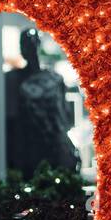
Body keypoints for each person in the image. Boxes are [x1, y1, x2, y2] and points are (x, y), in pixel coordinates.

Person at [5, 28, 78, 177]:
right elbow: (10, 120)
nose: (31, 48)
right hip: (28, 148)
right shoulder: (12, 79)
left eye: (33, 42)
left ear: (38, 45)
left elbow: (65, 116)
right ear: (21, 48)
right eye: (26, 44)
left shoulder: (55, 79)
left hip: (54, 146)